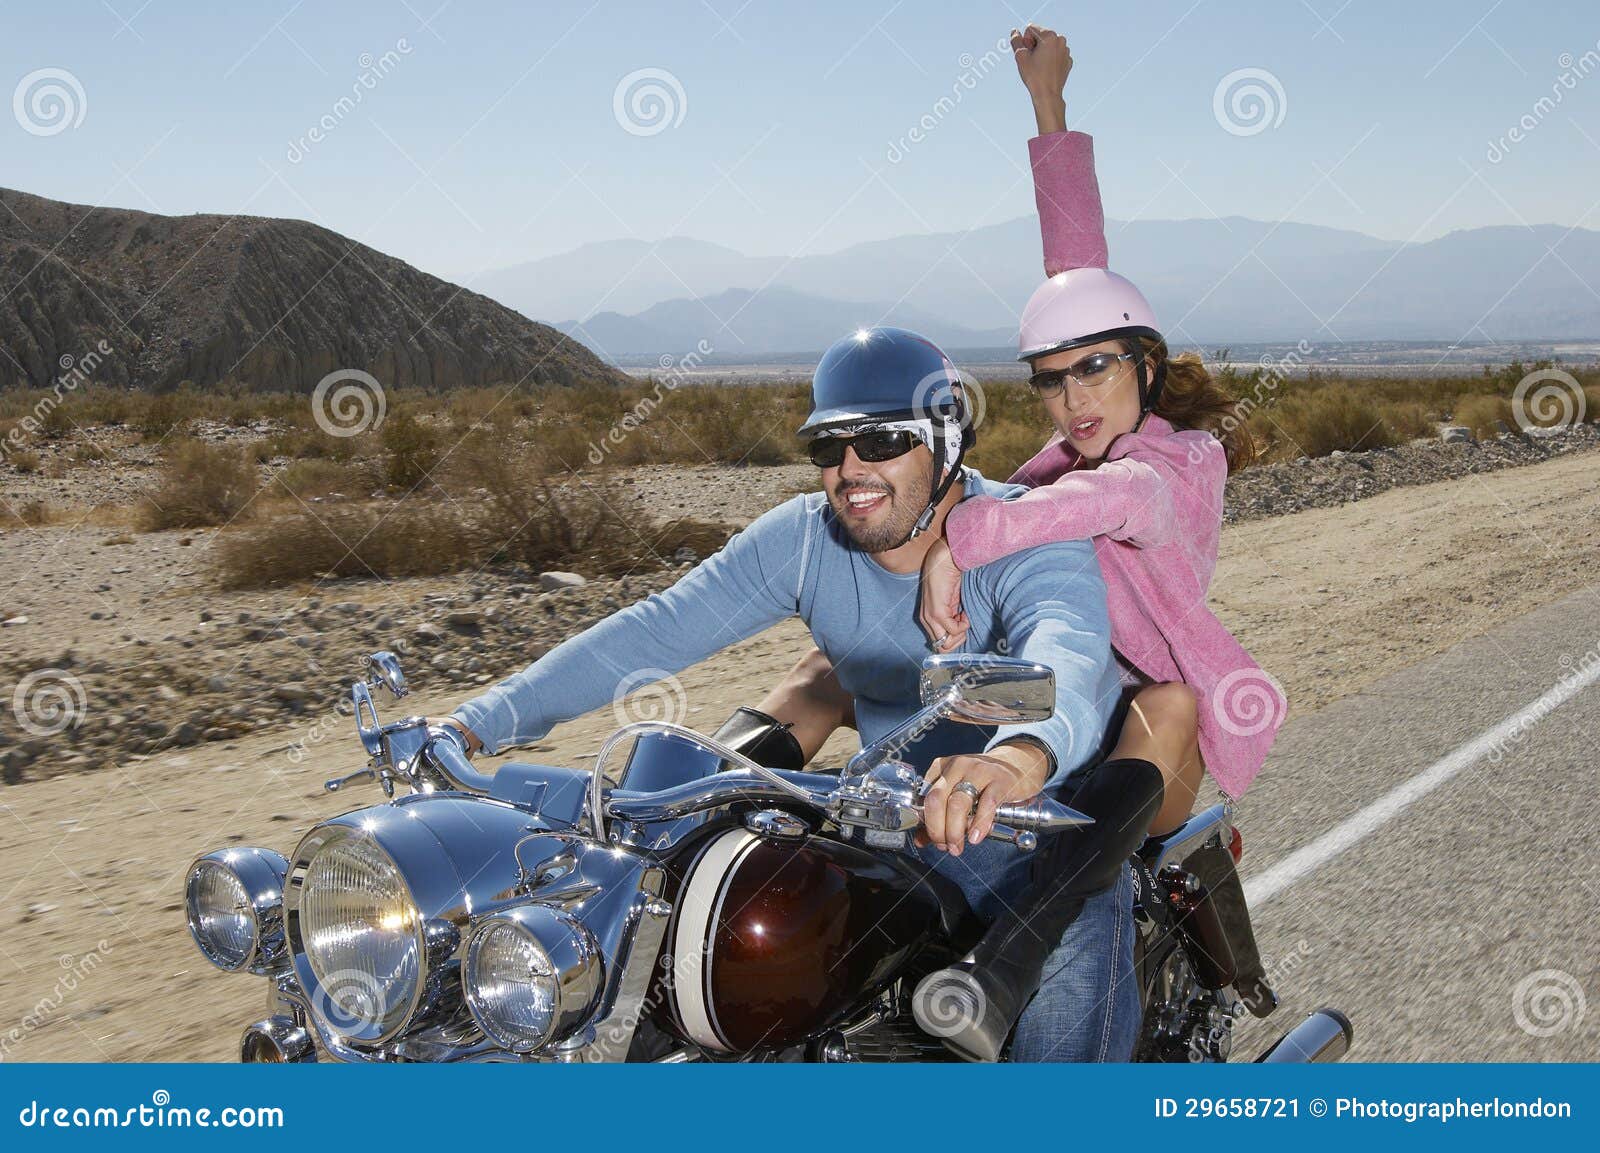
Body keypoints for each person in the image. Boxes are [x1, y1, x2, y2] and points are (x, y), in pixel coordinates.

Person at [436, 325, 1149, 1061]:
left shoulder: (1023, 534)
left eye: (878, 442)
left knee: (1071, 945)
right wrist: (476, 722)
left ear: (945, 442)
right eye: (826, 448)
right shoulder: (809, 538)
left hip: (1034, 814)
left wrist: (1017, 758)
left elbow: (1064, 647)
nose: (849, 470)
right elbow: (652, 631)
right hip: (889, 806)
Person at [769, 24, 1284, 836]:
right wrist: (1049, 101)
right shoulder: (1060, 456)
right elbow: (1075, 273)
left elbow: (1098, 502)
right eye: (1052, 377)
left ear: (1146, 368)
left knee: (1172, 700)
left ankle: (1053, 919)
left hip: (1132, 736)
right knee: (833, 669)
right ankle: (712, 826)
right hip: (1037, 691)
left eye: (1097, 368)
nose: (1073, 396)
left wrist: (955, 542)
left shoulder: (1172, 470)